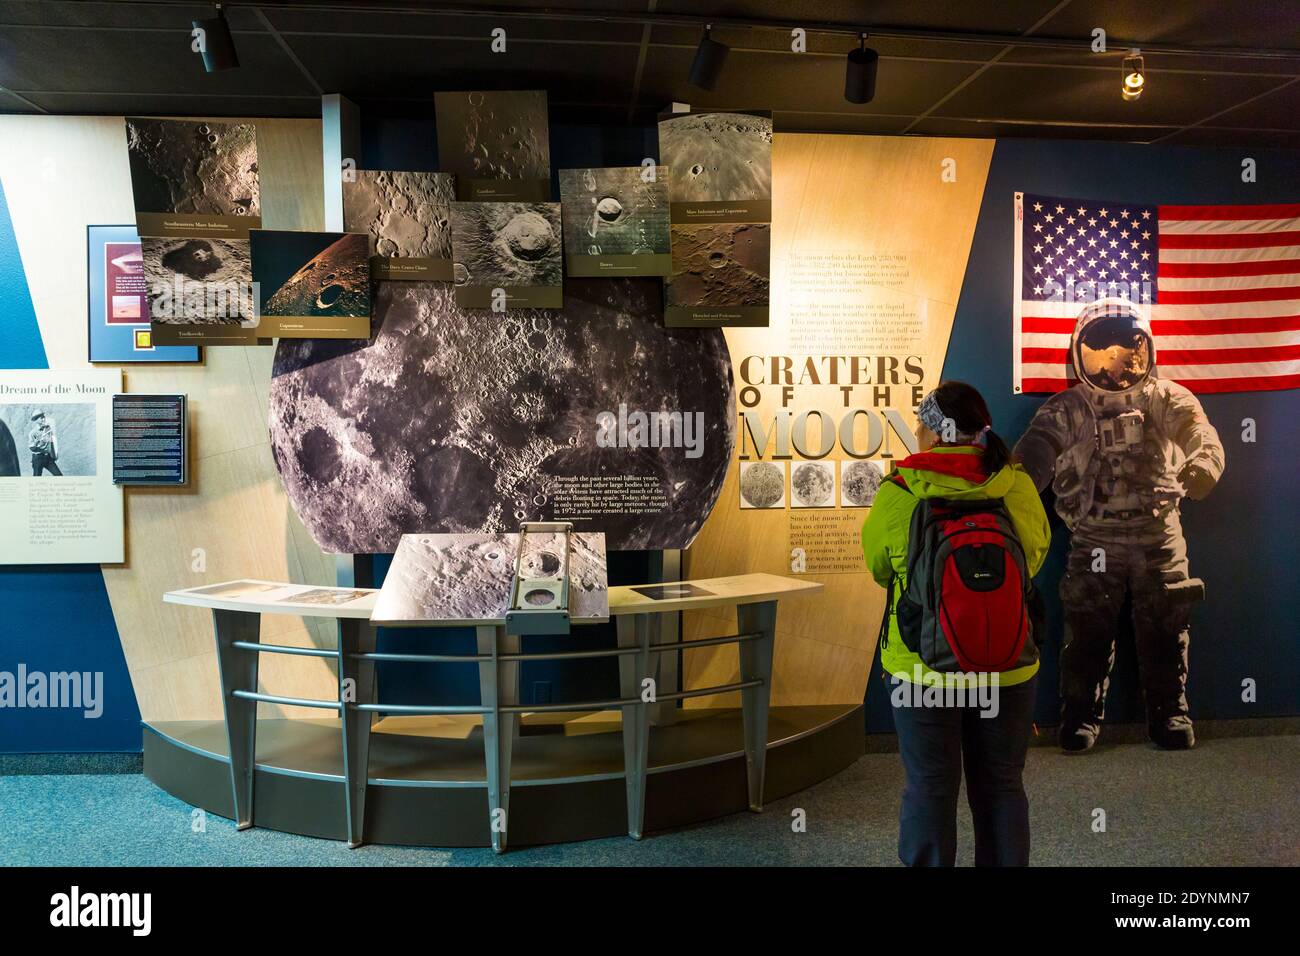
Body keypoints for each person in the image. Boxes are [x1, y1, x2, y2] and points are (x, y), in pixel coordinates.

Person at [1014, 297, 1223, 753]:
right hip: (1094, 536)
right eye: (1101, 358)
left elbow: (1199, 434)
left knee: (1166, 630)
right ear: (1080, 355)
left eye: (1127, 357)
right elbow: (1039, 447)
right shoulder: (1067, 408)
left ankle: (1169, 713)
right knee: (1087, 631)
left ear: (1146, 352)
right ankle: (1080, 718)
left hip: (1158, 535)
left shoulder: (1167, 398)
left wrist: (1204, 463)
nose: (1116, 371)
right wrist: (1025, 476)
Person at [862, 381, 1049, 866]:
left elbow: (880, 567)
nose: (916, 432)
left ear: (934, 431)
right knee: (1003, 786)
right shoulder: (1017, 483)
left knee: (929, 788)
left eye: (921, 423)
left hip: (923, 669)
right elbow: (1033, 557)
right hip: (1006, 665)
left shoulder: (900, 489)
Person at [27, 410, 62, 476]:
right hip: (38, 459)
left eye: (44, 417)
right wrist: (38, 445)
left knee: (59, 476)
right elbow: (31, 448)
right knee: (36, 481)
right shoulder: (32, 433)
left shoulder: (48, 429)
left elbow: (51, 442)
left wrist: (54, 454)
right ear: (36, 420)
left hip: (48, 458)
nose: (44, 419)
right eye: (41, 418)